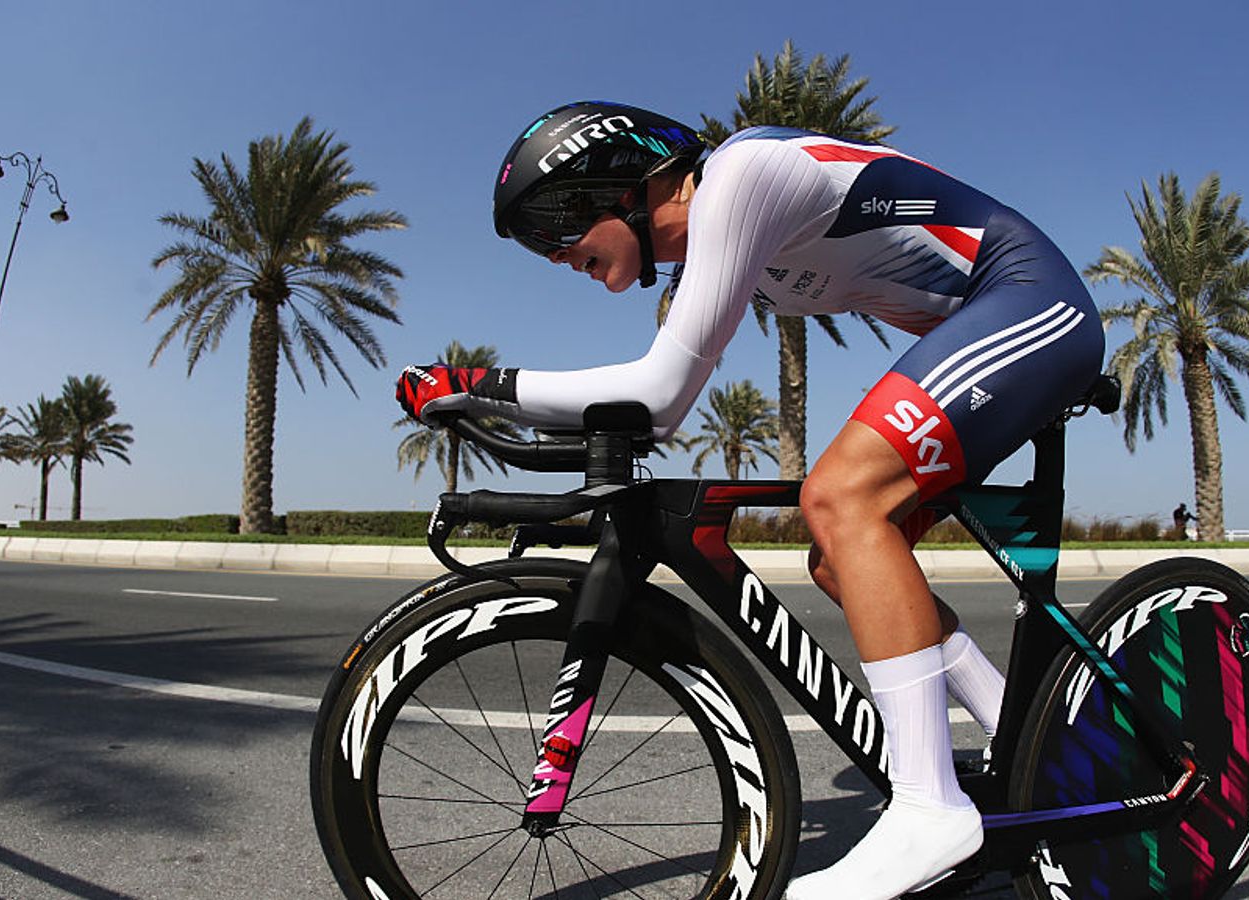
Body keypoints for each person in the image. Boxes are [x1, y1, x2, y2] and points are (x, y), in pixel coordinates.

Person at [396, 101, 1105, 899]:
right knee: (844, 556)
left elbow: (660, 396)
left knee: (840, 497)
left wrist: (476, 386)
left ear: (620, 182)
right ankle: (1033, 741)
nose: (555, 254)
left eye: (553, 225)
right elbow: (658, 403)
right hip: (992, 320)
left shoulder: (740, 174)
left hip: (1032, 300)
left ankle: (930, 808)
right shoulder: (727, 244)